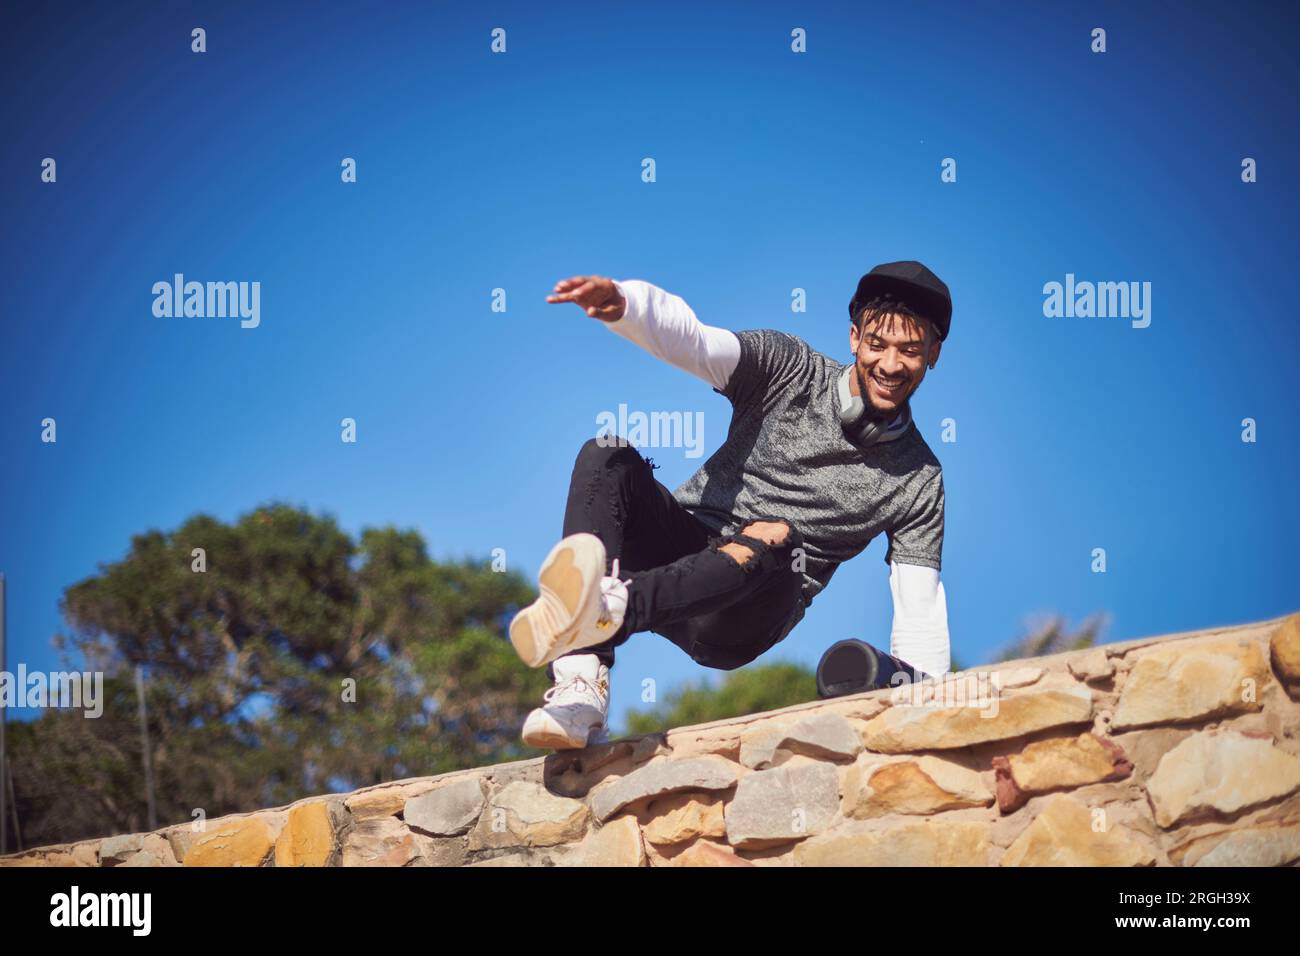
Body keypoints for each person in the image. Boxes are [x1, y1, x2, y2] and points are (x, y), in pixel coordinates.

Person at [510, 261, 952, 749]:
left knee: (777, 531)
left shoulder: (918, 480)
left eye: (910, 351)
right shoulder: (791, 370)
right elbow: (697, 344)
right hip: (679, 555)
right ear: (853, 338)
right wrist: (628, 306)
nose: (890, 365)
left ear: (932, 354)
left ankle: (608, 608)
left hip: (743, 615)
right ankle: (579, 686)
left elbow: (919, 615)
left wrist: (926, 707)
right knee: (607, 454)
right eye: (877, 345)